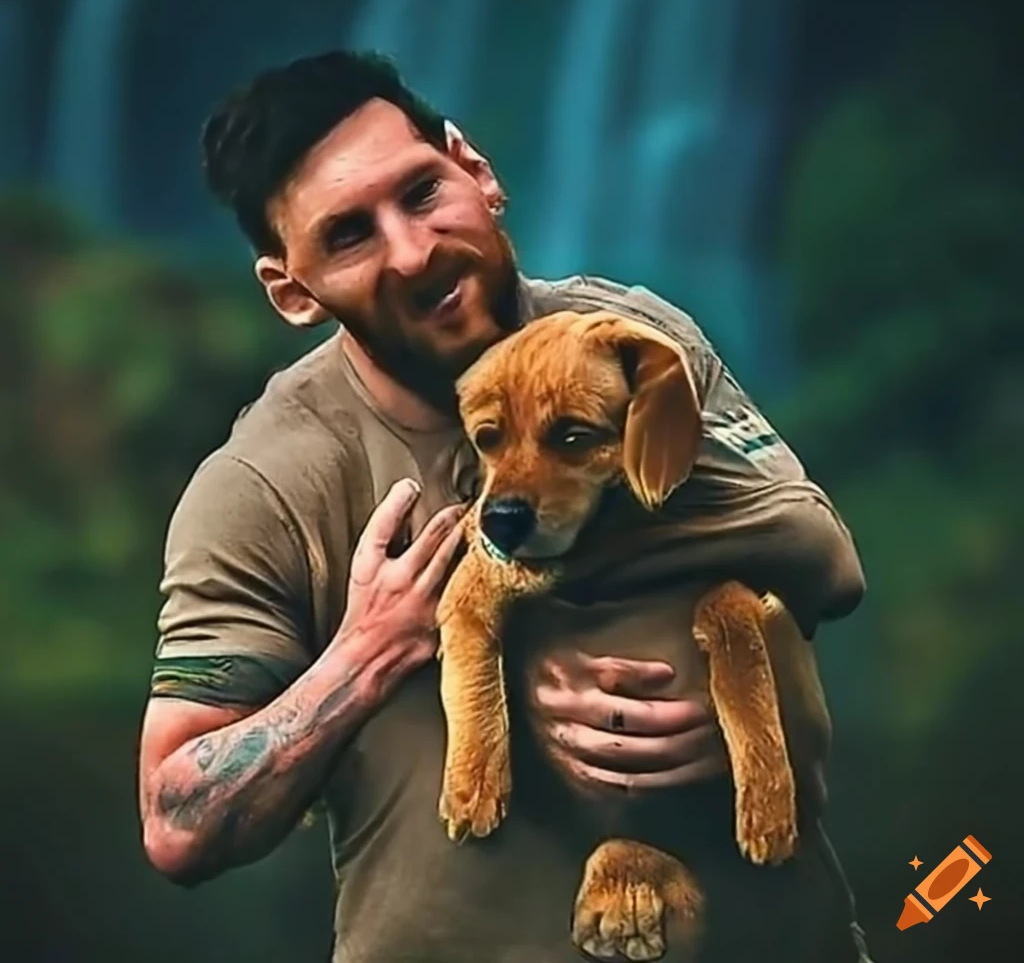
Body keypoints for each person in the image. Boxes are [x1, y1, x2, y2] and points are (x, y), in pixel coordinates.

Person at [138, 50, 871, 963]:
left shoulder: (638, 345)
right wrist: (369, 657)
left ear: (475, 170)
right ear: (292, 289)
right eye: (349, 236)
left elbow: (823, 557)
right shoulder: (269, 481)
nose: (413, 252)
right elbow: (179, 824)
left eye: (419, 192)